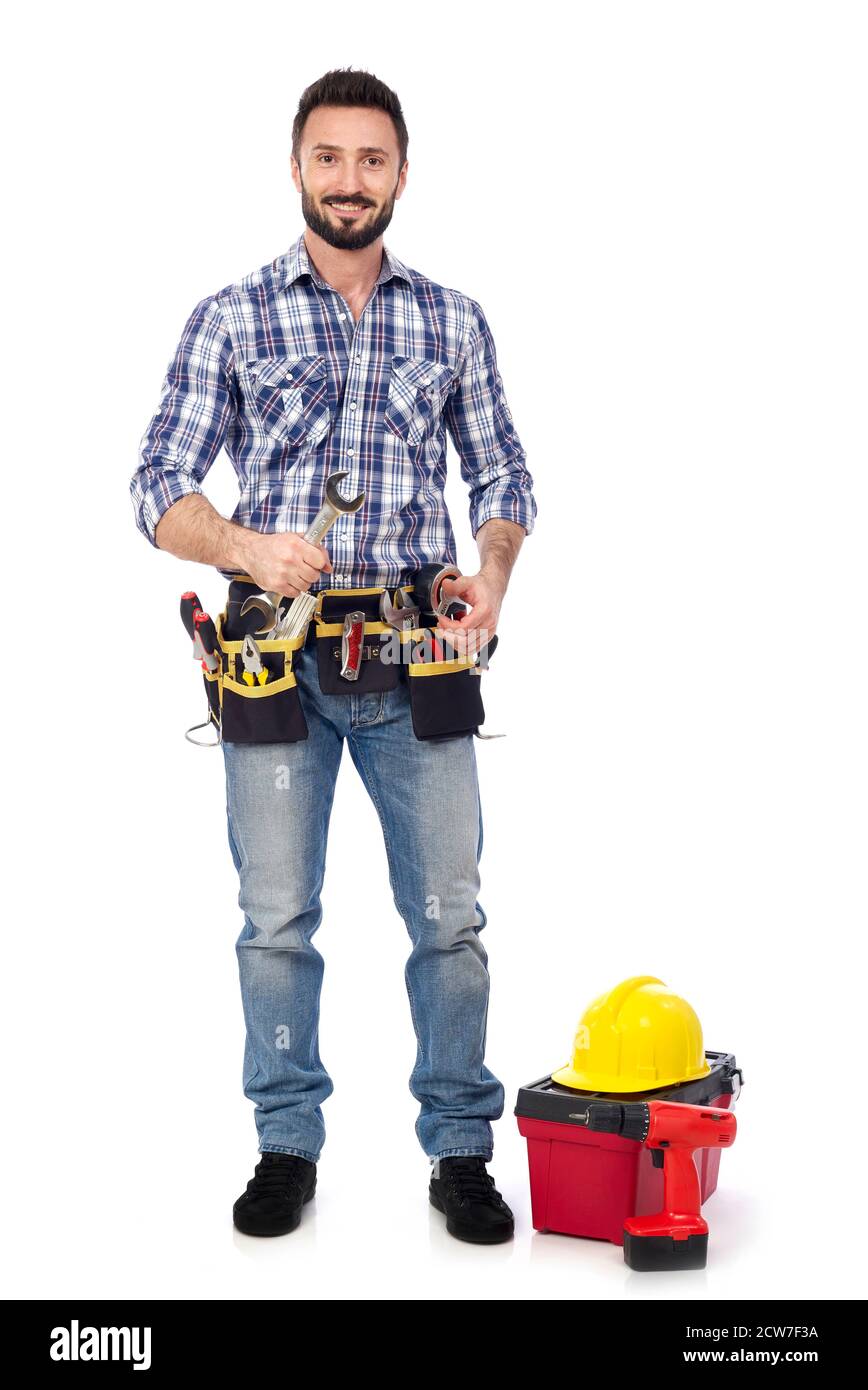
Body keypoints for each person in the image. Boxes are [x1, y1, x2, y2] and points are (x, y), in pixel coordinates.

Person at [130, 68, 537, 1244]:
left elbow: (503, 476)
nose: (349, 181)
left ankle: (460, 1147)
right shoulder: (232, 315)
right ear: (296, 167)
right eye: (328, 157)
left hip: (419, 657)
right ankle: (284, 1146)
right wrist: (246, 544)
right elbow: (157, 487)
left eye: (371, 159)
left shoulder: (452, 319)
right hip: (275, 666)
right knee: (274, 920)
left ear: (401, 173)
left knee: (448, 917)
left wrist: (491, 579)